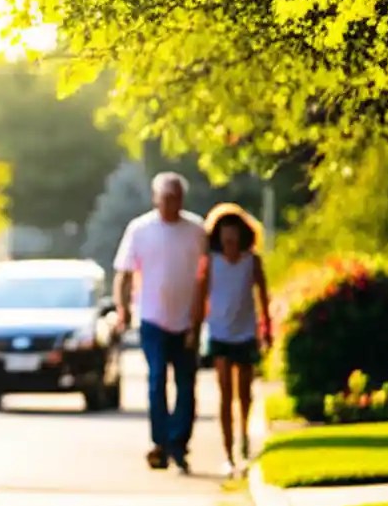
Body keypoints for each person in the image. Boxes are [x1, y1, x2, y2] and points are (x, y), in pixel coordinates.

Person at [112, 172, 207, 474]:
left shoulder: (196, 231)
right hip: (152, 318)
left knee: (186, 384)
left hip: (186, 320)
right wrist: (123, 308)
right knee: (156, 382)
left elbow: (205, 275)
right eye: (166, 198)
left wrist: (199, 317)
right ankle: (160, 442)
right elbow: (124, 273)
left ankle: (179, 443)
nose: (171, 204)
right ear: (155, 198)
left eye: (176, 198)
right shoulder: (140, 229)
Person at [193, 203, 272, 478]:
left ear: (242, 235)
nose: (229, 241)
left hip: (246, 332)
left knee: (245, 393)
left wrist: (267, 327)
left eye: (234, 235)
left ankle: (244, 438)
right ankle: (227, 453)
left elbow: (263, 294)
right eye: (225, 236)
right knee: (225, 393)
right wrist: (196, 328)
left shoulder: (252, 262)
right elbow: (201, 297)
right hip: (220, 332)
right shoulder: (212, 263)